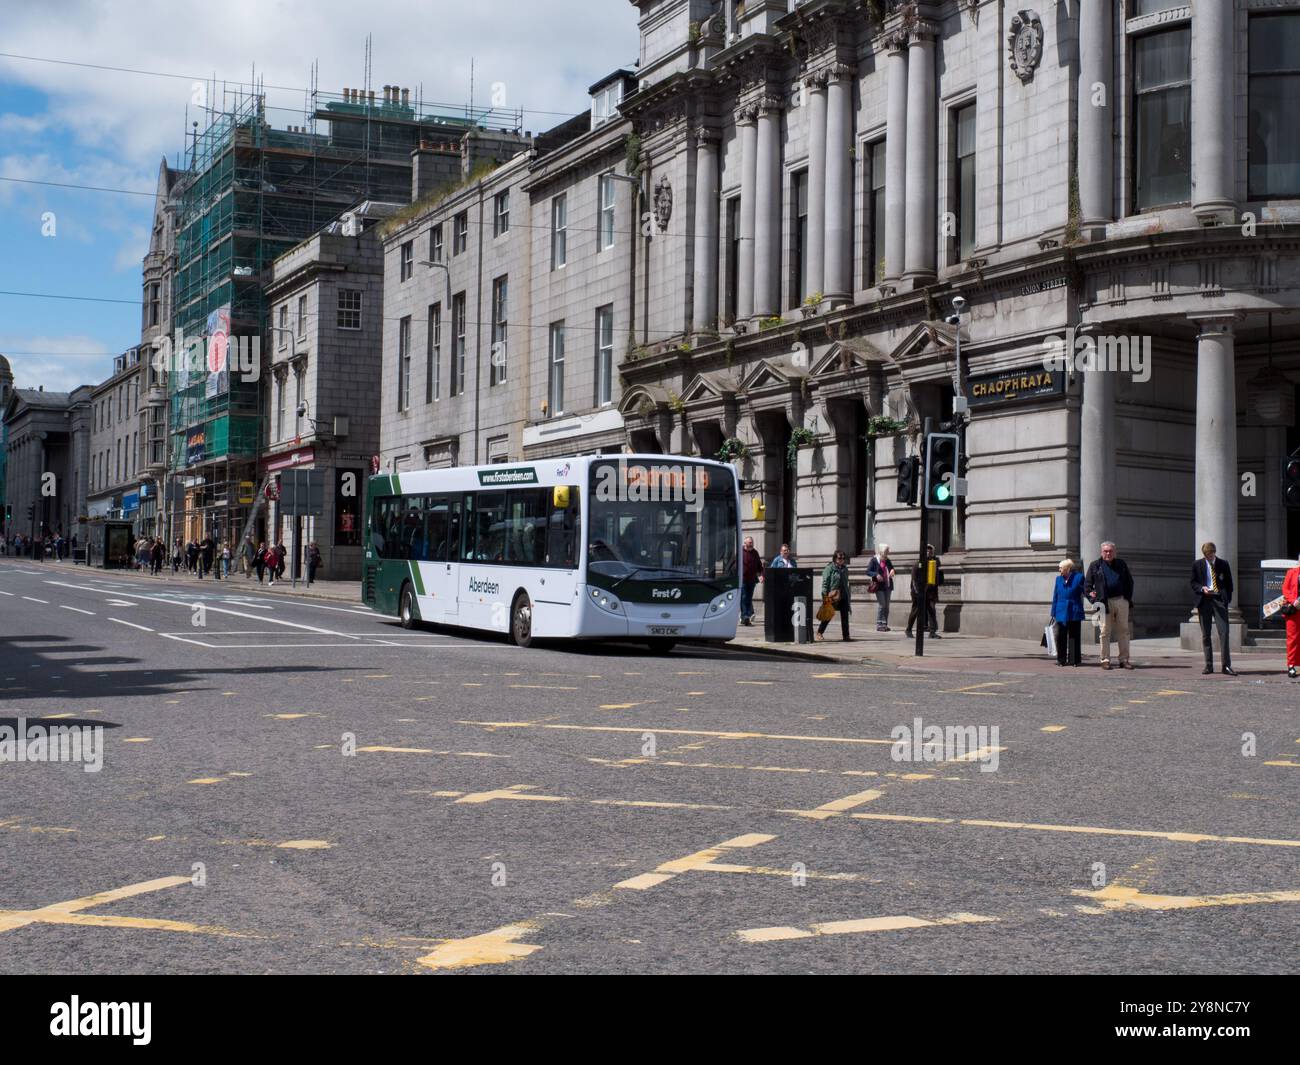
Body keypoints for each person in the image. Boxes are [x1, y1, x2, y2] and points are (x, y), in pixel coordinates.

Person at [1084, 541, 1135, 670]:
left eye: (1110, 551)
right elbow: (1087, 586)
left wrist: (1127, 599)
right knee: (1104, 631)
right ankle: (1105, 660)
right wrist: (1093, 598)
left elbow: (1130, 582)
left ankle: (1124, 660)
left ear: (1114, 552)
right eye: (1106, 551)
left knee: (1123, 631)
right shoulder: (1095, 565)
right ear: (1101, 552)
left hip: (1121, 601)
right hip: (1103, 603)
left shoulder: (1121, 564)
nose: (1108, 553)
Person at [1191, 541, 1235, 676]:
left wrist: (1226, 600)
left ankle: (1226, 665)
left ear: (1214, 552)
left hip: (1218, 599)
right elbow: (1193, 582)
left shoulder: (1223, 564)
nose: (1208, 557)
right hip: (1204, 600)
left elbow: (1229, 584)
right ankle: (1208, 665)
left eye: (1210, 554)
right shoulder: (1197, 564)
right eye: (1206, 555)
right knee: (1206, 634)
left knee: (1224, 632)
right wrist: (1201, 588)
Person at [1050, 558, 1085, 666]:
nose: (1059, 570)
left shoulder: (1079, 577)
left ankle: (1074, 660)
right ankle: (1061, 660)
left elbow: (1085, 590)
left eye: (1061, 568)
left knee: (1074, 636)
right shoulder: (1058, 579)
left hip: (1074, 609)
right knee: (1061, 636)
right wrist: (1053, 612)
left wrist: (1094, 595)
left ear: (1067, 569)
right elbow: (1055, 595)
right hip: (1060, 610)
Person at [905, 544, 944, 639]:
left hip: (930, 592)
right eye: (926, 551)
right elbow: (914, 579)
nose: (928, 553)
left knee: (931, 611)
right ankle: (908, 629)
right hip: (918, 591)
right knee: (916, 610)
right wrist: (918, 591)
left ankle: (932, 632)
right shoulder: (918, 563)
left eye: (930, 551)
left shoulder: (934, 563)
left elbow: (938, 578)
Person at [817, 549, 852, 641]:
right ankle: (819, 632)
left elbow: (846, 582)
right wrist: (825, 596)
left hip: (843, 595)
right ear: (835, 558)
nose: (842, 560)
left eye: (843, 558)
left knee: (845, 616)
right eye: (840, 558)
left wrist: (848, 595)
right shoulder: (829, 568)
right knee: (828, 615)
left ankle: (846, 635)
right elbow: (825, 583)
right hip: (832, 596)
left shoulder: (844, 569)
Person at [865, 543, 895, 632]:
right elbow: (868, 571)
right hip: (879, 586)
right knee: (882, 605)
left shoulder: (888, 560)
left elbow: (892, 568)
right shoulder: (874, 560)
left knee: (887, 606)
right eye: (886, 551)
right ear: (881, 551)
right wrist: (876, 574)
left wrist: (893, 571)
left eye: (887, 551)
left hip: (888, 585)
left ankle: (884, 624)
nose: (887, 553)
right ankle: (879, 624)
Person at [1282, 554, 1300, 680]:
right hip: (1294, 610)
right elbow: (1285, 589)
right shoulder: (1291, 572)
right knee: (1292, 638)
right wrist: (1293, 601)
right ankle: (1291, 665)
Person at [740, 535, 763, 626]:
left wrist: (761, 574)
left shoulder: (755, 552)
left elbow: (759, 565)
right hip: (742, 579)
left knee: (749, 598)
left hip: (752, 580)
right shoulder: (740, 552)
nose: (751, 544)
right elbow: (734, 565)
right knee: (744, 597)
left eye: (752, 542)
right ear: (745, 543)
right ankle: (746, 616)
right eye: (749, 542)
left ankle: (744, 617)